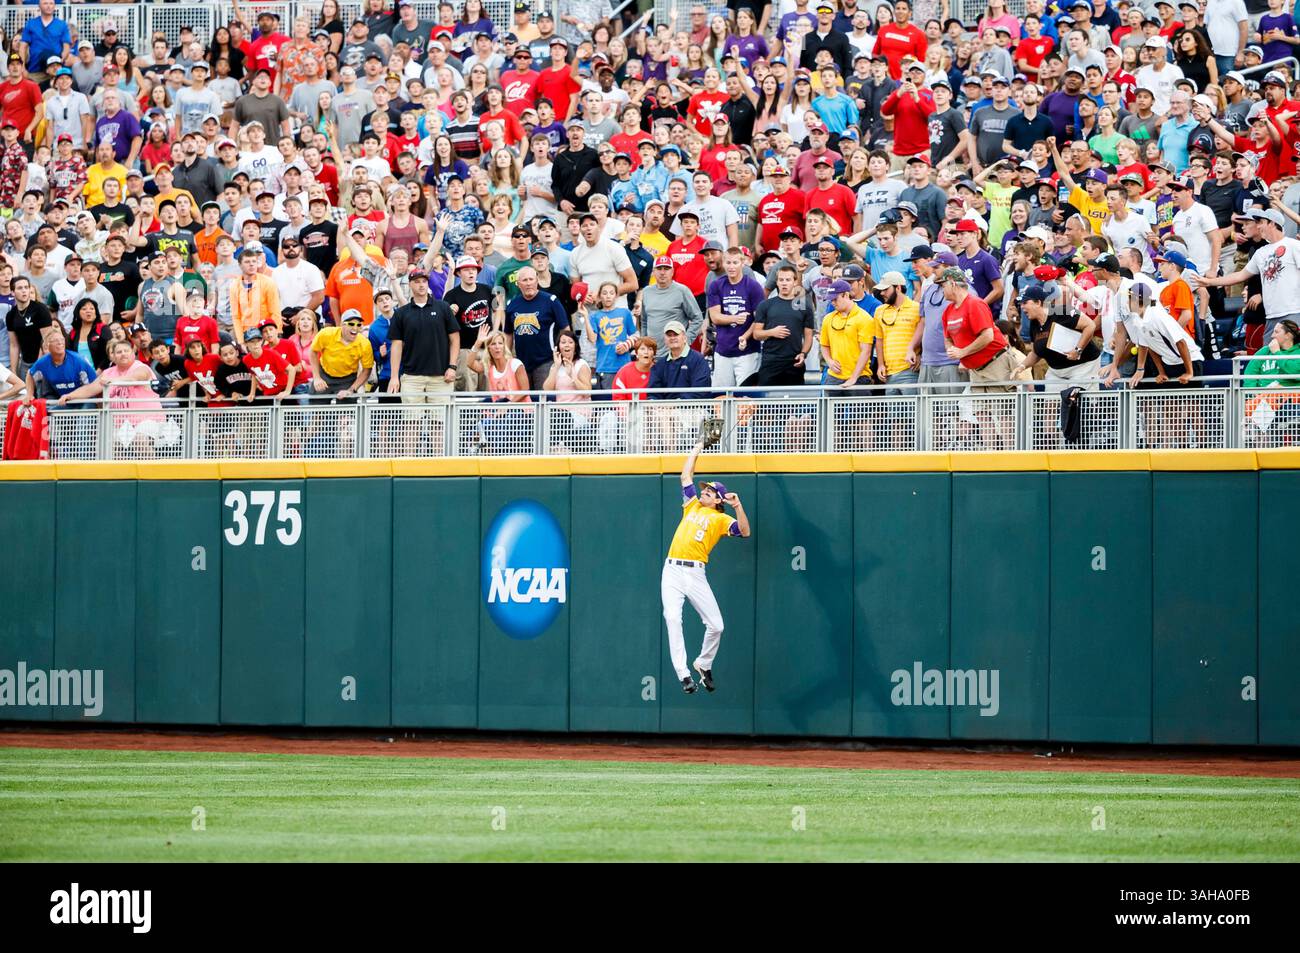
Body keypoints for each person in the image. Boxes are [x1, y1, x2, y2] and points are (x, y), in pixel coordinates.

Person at [662, 437, 750, 695]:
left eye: (710, 491)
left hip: (695, 573)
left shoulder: (721, 518)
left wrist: (738, 505)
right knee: (672, 618)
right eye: (705, 490)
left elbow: (744, 531)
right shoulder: (692, 506)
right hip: (672, 571)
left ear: (719, 499)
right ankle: (684, 674)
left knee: (717, 625)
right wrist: (698, 445)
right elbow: (685, 475)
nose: (704, 492)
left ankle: (703, 663)